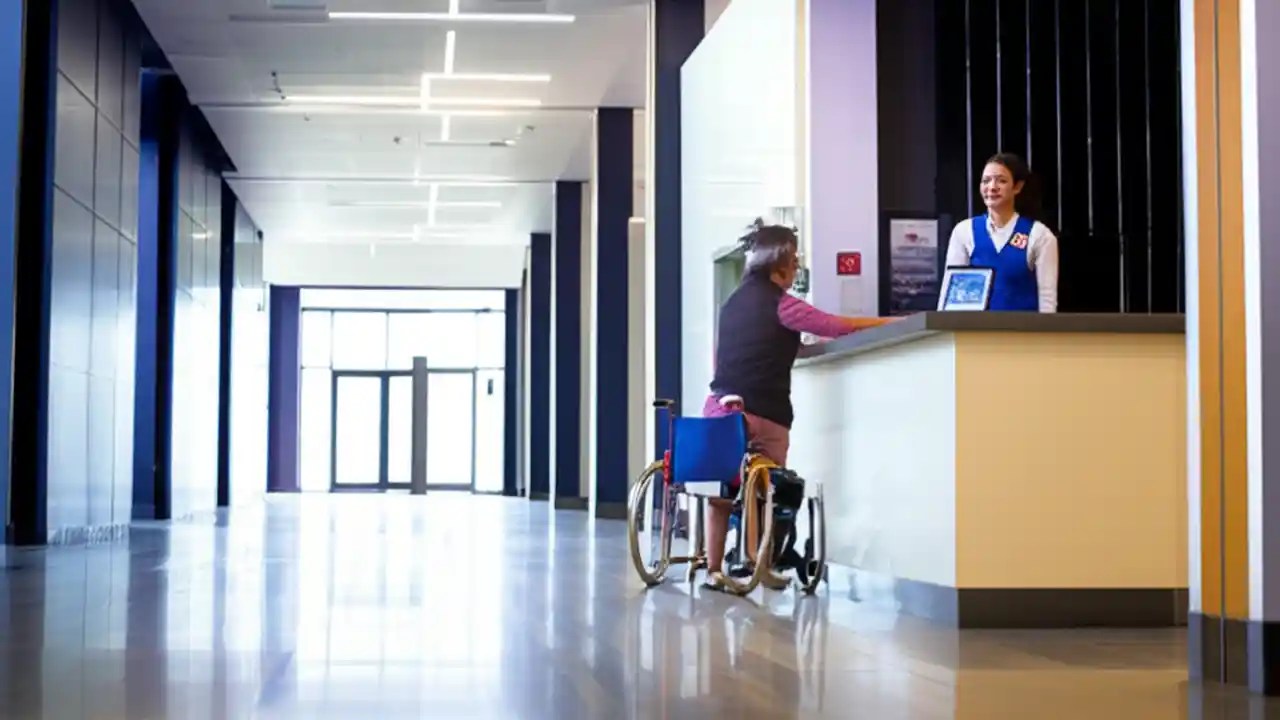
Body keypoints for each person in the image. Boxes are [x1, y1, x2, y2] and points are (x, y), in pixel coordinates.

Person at [701, 220, 892, 590]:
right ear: (781, 265)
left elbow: (721, 358)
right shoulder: (783, 306)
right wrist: (894, 321)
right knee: (770, 489)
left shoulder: (729, 306)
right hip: (766, 412)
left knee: (722, 494)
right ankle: (761, 562)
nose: (797, 267)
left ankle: (713, 569)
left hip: (720, 408)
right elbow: (838, 325)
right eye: (795, 260)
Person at [944, 153, 1059, 312]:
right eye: (986, 181)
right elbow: (951, 296)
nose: (992, 187)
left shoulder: (1040, 235)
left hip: (1024, 333)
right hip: (976, 333)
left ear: (1017, 187)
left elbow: (1047, 299)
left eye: (1001, 180)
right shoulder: (964, 232)